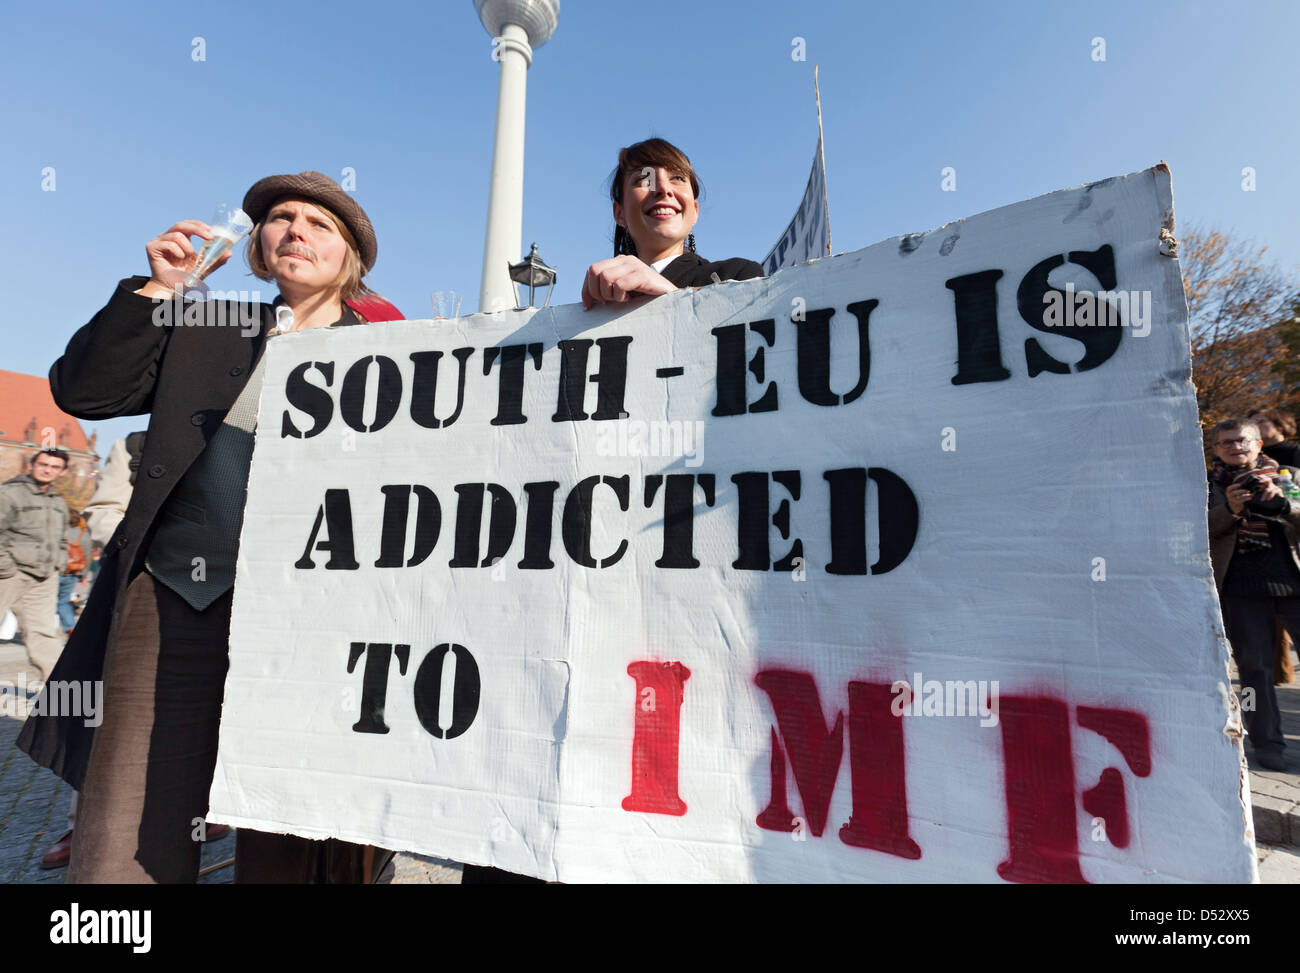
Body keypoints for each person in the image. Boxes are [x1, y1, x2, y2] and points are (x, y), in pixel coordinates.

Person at [18, 170, 400, 883]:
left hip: (313, 618)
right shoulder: (204, 325)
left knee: (293, 826)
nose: (296, 229)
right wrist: (157, 291)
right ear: (258, 244)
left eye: (321, 225)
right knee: (129, 827)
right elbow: (87, 391)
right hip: (171, 599)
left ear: (350, 259)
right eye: (281, 218)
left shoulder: (392, 358)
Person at [1207, 418, 1300, 772]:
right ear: (1216, 449)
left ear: (1259, 444)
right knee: (1253, 672)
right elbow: (1196, 530)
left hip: (1294, 582)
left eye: (1243, 441)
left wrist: (1284, 505)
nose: (1235, 447)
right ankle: (1266, 744)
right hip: (1240, 589)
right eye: (1226, 442)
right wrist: (1229, 510)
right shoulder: (1206, 485)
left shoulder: (1289, 476)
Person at [581, 137, 763, 309]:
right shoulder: (599, 305)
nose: (663, 189)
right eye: (645, 179)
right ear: (619, 213)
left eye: (677, 178)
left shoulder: (740, 277)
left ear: (695, 210)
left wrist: (670, 298)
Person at [0, 449, 70, 682]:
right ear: (31, 465)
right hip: (10, 573)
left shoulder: (58, 502)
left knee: (44, 636)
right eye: (43, 464)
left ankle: (63, 704)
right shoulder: (10, 493)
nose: (47, 469)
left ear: (62, 471)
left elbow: (61, 538)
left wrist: (59, 563)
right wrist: (6, 568)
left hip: (43, 579)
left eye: (54, 466)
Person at [58, 510, 87, 635]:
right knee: (63, 601)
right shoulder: (84, 535)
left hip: (56, 572)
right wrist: (83, 575)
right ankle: (70, 627)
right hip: (73, 573)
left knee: (49, 601)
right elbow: (88, 555)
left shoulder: (58, 532)